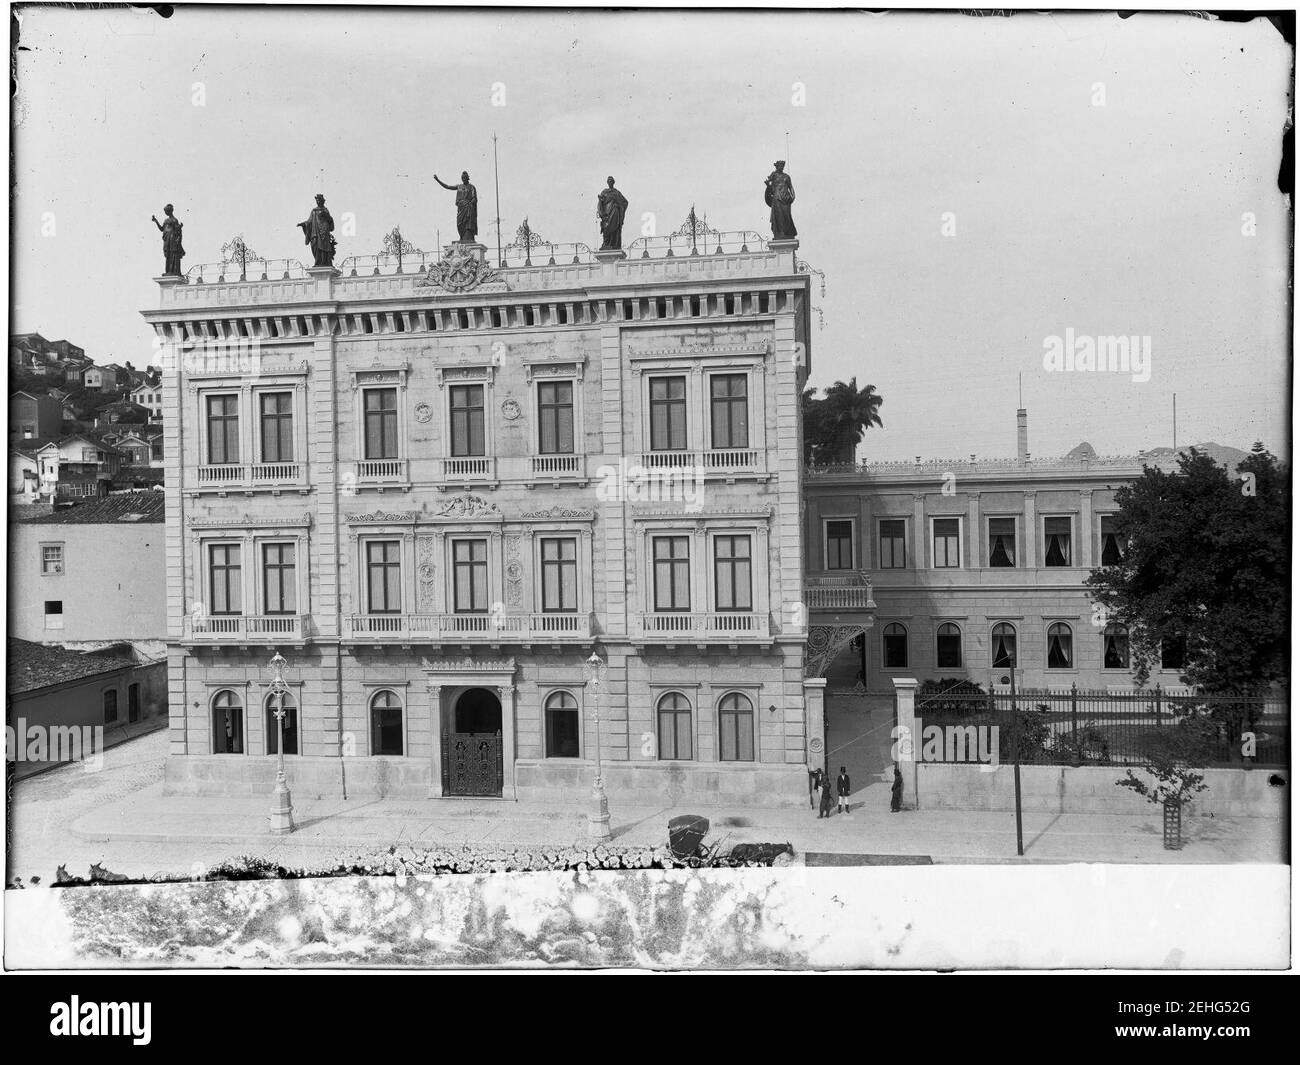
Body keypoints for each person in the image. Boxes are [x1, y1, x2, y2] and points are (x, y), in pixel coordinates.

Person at [435, 170, 478, 243]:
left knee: (468, 224)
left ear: (467, 178)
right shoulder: (459, 186)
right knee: (460, 224)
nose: (463, 179)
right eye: (462, 178)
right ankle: (462, 237)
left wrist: (470, 203)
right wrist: (438, 180)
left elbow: (474, 198)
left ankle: (468, 238)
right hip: (461, 208)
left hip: (468, 208)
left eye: (465, 178)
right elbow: (448, 186)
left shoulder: (472, 187)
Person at [298, 193, 336, 267]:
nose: (318, 201)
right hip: (315, 233)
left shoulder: (325, 210)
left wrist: (326, 216)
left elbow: (330, 220)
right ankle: (318, 262)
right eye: (317, 200)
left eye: (319, 200)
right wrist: (303, 224)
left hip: (324, 232)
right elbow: (309, 221)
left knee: (324, 247)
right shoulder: (314, 211)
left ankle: (324, 262)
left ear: (322, 201)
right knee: (315, 245)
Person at [764, 160, 797, 240]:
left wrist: (792, 197)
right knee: (778, 216)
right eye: (779, 166)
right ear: (777, 166)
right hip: (777, 198)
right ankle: (780, 233)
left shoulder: (786, 176)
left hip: (785, 199)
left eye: (782, 166)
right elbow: (770, 187)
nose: (781, 167)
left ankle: (786, 232)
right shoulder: (773, 175)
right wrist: (768, 185)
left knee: (786, 216)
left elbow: (791, 187)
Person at [151, 204, 184, 276]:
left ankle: (174, 271)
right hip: (167, 239)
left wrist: (180, 227)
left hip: (172, 239)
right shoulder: (166, 220)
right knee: (168, 254)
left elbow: (177, 230)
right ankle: (168, 271)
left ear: (169, 211)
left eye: (166, 211)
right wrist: (156, 221)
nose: (165, 213)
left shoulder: (174, 220)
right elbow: (162, 229)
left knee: (172, 254)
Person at [597, 176, 628, 250]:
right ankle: (606, 244)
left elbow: (625, 202)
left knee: (614, 229)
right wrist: (602, 213)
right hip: (606, 214)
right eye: (609, 181)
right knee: (606, 229)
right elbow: (600, 204)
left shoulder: (616, 192)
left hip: (615, 213)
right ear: (607, 183)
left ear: (613, 182)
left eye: (611, 181)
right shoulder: (604, 192)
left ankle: (613, 244)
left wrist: (620, 208)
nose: (610, 182)